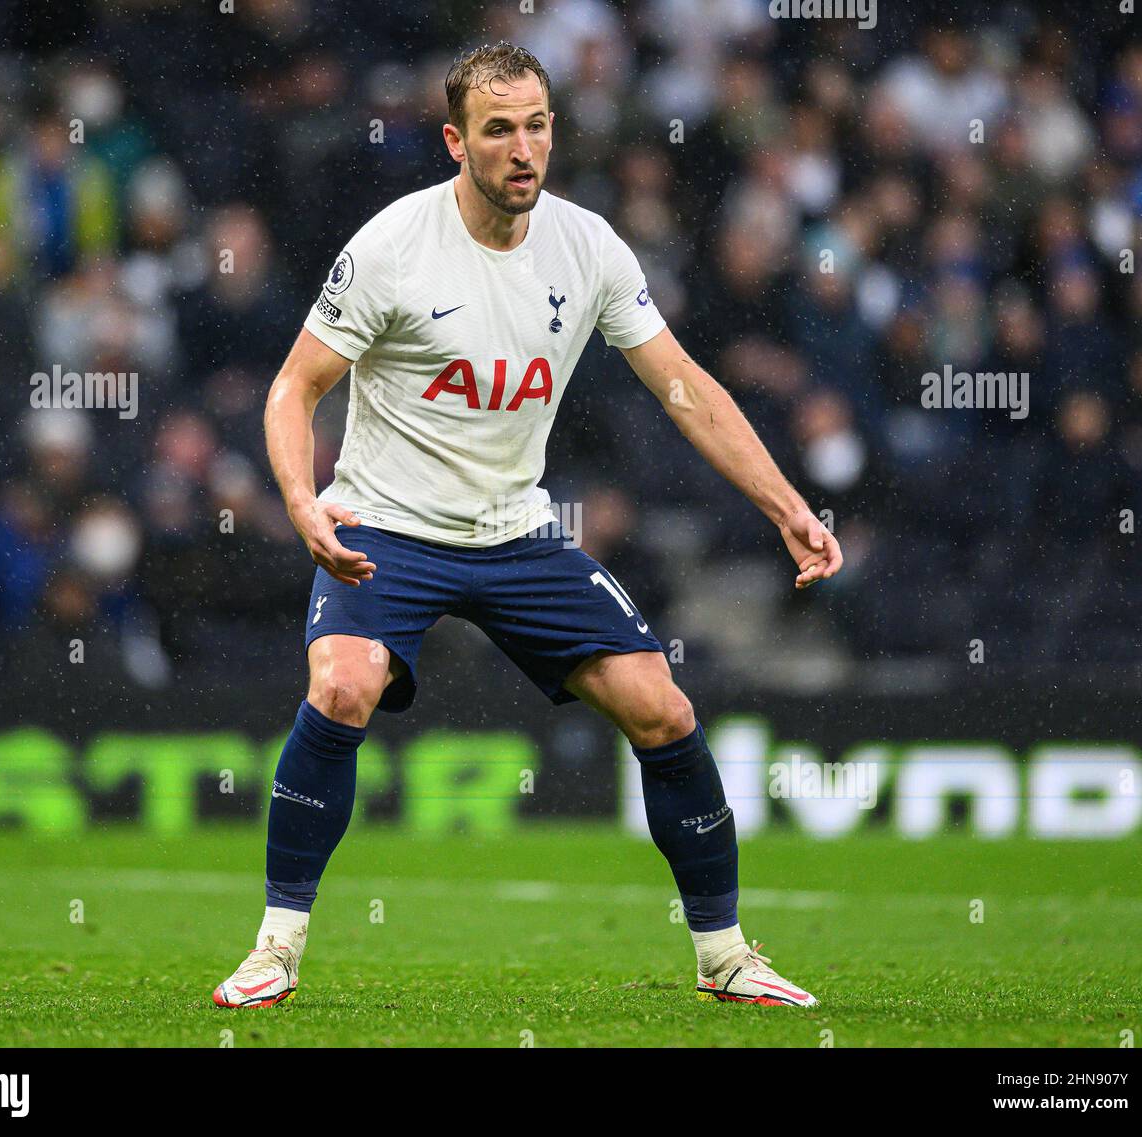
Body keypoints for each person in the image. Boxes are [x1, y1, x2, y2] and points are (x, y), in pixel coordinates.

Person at [212, 42, 842, 1011]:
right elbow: (293, 389)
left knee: (662, 708)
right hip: (388, 525)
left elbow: (686, 391)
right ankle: (275, 948)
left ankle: (723, 958)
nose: (523, 148)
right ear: (455, 140)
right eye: (499, 128)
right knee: (343, 687)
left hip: (515, 533)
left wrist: (788, 508)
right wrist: (303, 499)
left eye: (538, 124)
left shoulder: (589, 248)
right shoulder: (391, 246)